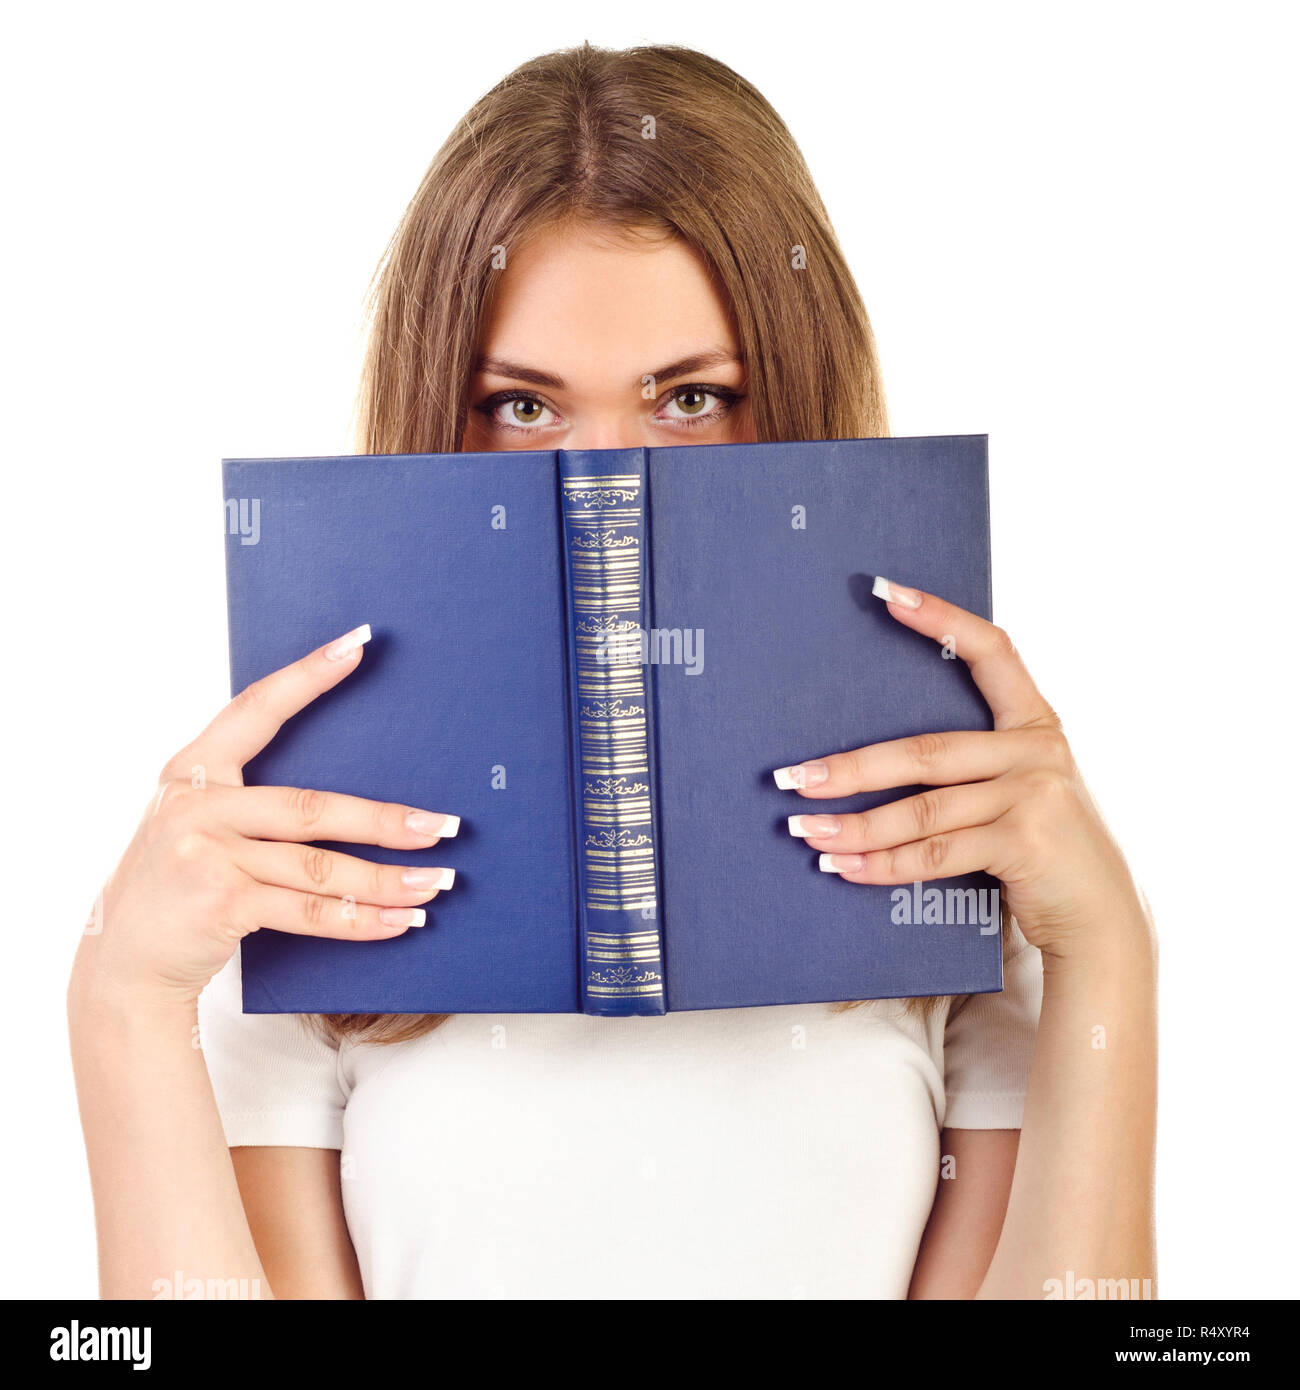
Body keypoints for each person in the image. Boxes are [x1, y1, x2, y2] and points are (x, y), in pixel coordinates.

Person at [69, 43, 1157, 1299]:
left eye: (690, 398)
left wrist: (1106, 950)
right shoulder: (317, 901)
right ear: (443, 414)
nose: (604, 483)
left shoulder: (951, 883)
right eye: (524, 407)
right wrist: (121, 1001)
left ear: (788, 398)